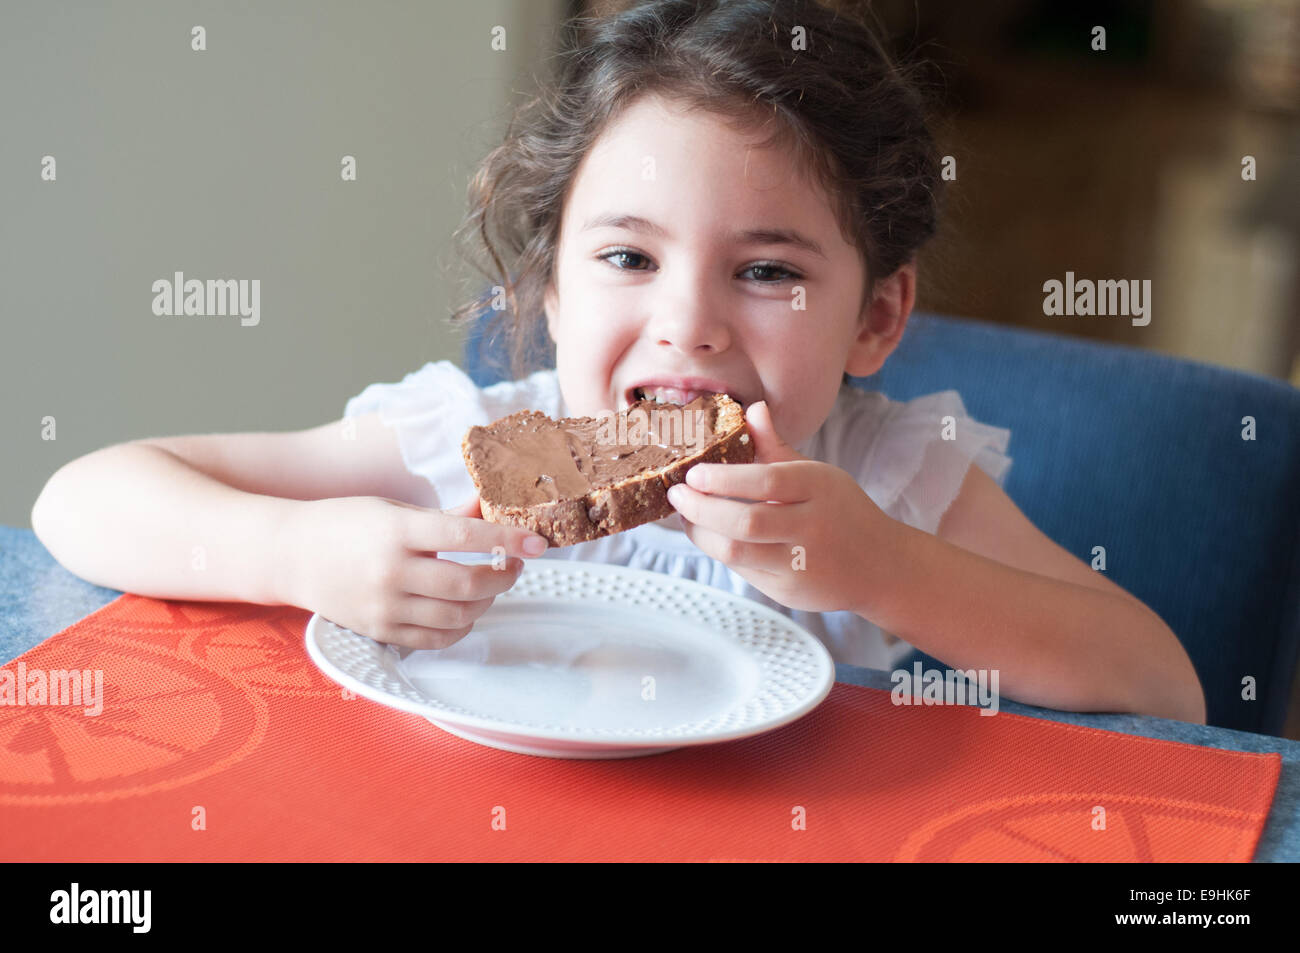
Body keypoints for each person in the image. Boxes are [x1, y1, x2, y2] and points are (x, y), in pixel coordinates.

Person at [31, 0, 1205, 723]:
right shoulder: (460, 449)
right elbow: (79, 497)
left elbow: (1163, 687)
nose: (687, 324)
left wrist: (883, 566)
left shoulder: (885, 477)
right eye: (629, 256)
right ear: (546, 291)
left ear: (875, 321)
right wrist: (298, 551)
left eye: (765, 271)